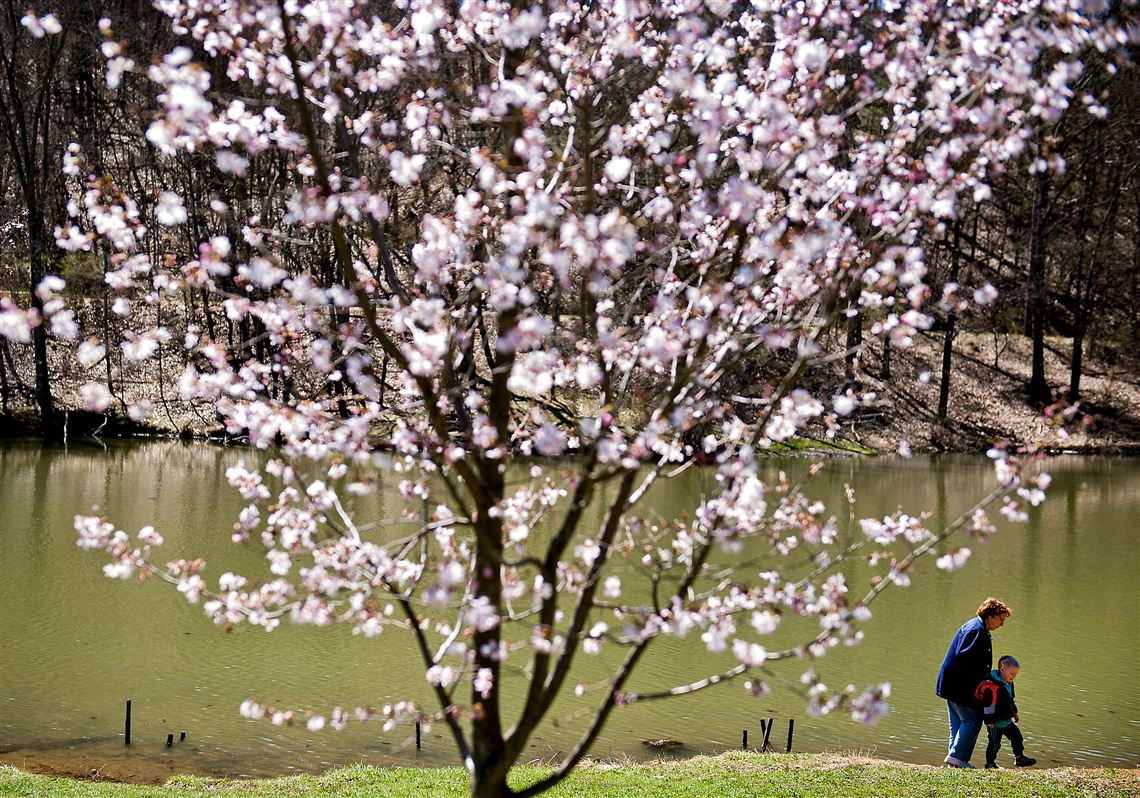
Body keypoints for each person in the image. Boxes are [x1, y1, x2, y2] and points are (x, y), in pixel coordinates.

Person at [935, 597, 1012, 768]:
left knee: (958, 721)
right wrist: (978, 687)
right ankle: (957, 758)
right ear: (991, 615)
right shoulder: (977, 631)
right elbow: (964, 662)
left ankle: (954, 760)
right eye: (1001, 619)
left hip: (951, 685)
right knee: (972, 720)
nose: (1001, 624)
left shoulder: (975, 627)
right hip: (961, 687)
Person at [976, 655, 1037, 769]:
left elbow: (1011, 700)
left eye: (1016, 674)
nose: (1014, 677)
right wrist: (989, 720)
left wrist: (1015, 713)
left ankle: (1019, 758)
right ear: (1002, 669)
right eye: (1012, 674)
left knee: (1017, 737)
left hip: (1007, 721)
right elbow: (988, 705)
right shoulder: (991, 686)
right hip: (994, 723)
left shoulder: (1009, 683)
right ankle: (990, 764)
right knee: (995, 744)